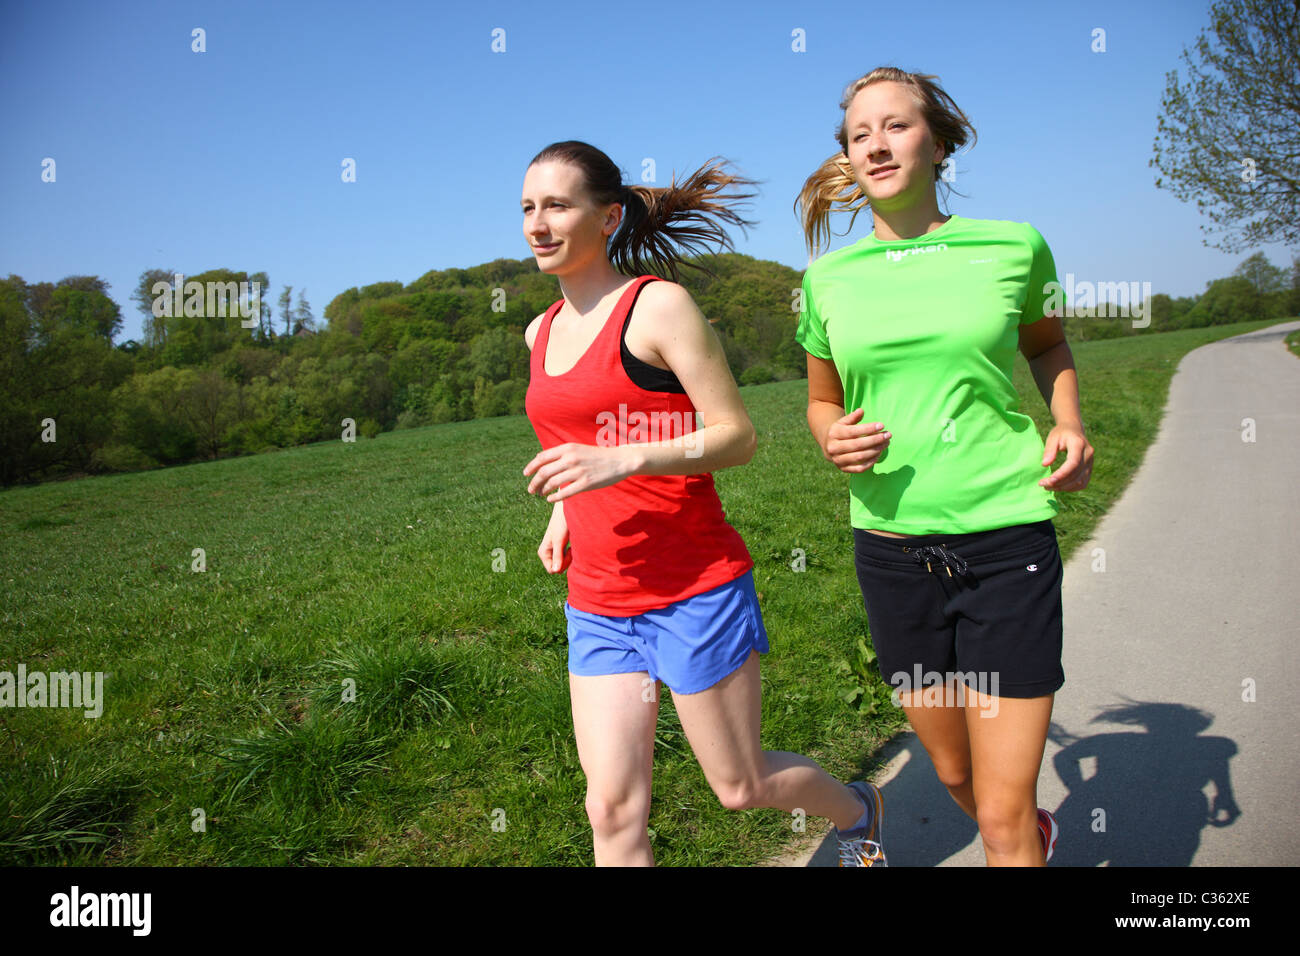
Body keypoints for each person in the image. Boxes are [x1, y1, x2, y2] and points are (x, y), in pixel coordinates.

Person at [520, 140, 884, 866]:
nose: (538, 223)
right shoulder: (539, 331)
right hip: (598, 599)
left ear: (609, 216)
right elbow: (575, 440)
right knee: (611, 807)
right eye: (528, 207)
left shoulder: (657, 307)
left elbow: (738, 437)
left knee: (740, 786)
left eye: (558, 205)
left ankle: (858, 810)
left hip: (694, 588)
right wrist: (564, 512)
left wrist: (625, 458)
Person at [793, 67, 1095, 866]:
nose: (877, 144)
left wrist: (1067, 422)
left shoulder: (1012, 245)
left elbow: (1048, 343)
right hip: (893, 551)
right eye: (860, 134)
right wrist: (830, 437)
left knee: (1000, 819)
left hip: (1005, 539)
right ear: (848, 157)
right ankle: (1028, 832)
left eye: (895, 126)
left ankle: (1016, 838)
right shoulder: (827, 280)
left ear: (938, 142)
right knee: (954, 768)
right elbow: (821, 402)